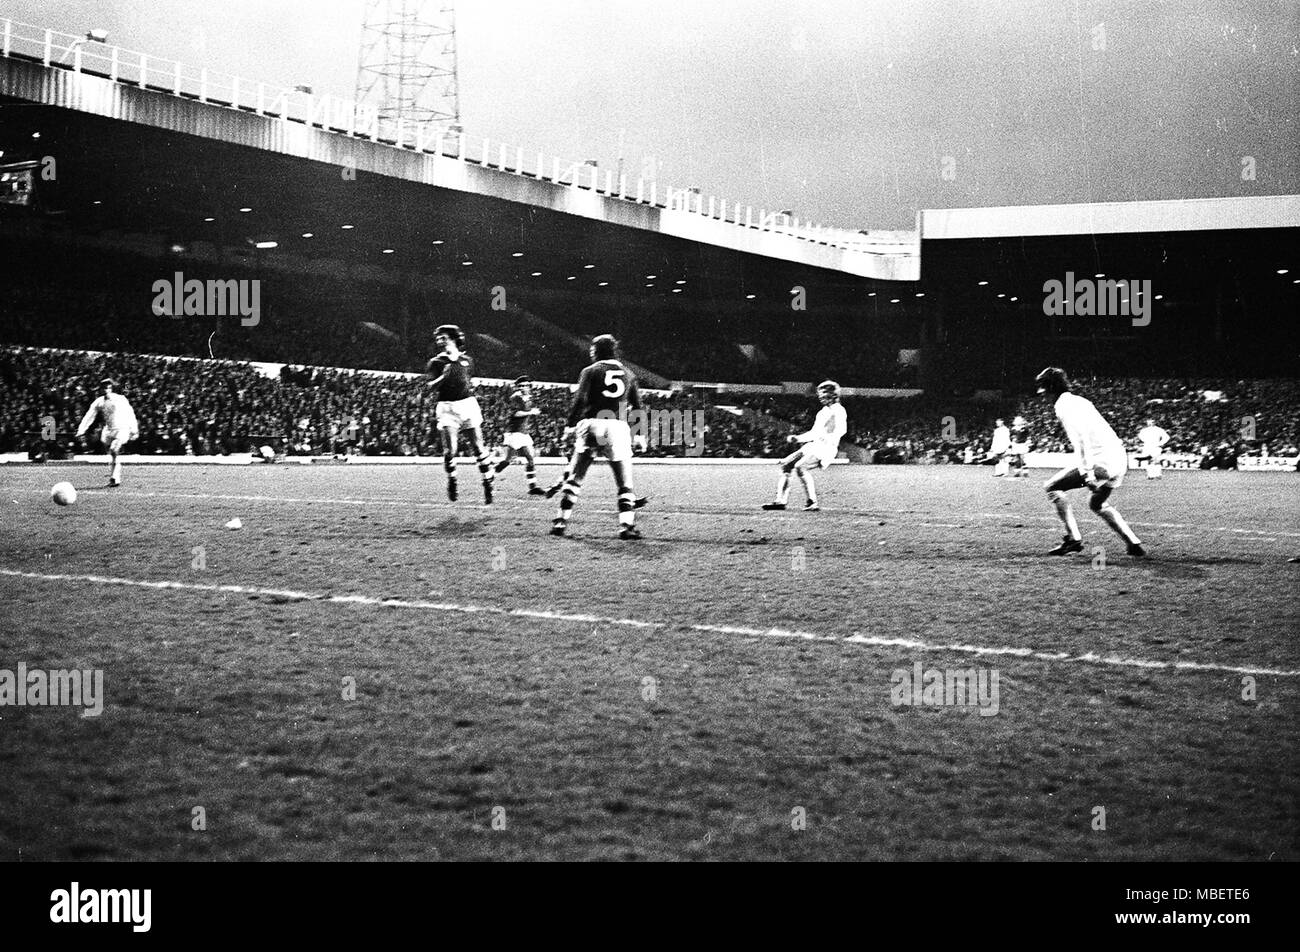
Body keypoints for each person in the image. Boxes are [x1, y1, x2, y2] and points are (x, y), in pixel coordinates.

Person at [1036, 367, 1146, 557]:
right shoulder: (1080, 401)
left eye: (1042, 388)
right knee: (1096, 504)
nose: (1041, 394)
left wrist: (1087, 474)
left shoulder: (1062, 406)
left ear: (1050, 388)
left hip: (1100, 461)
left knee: (1052, 487)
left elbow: (1081, 440)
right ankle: (1133, 543)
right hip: (1118, 460)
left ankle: (1073, 540)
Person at [551, 334, 648, 539]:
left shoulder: (590, 371)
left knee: (576, 476)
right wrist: (639, 435)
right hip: (617, 427)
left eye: (593, 349)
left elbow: (580, 400)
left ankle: (560, 521)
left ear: (600, 351)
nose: (591, 352)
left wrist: (569, 426)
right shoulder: (629, 374)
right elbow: (638, 406)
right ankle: (626, 526)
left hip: (592, 424)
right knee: (624, 482)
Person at [425, 325, 493, 504]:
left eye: (443, 336)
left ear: (453, 338)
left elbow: (467, 381)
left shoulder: (467, 360)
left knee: (479, 448)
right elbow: (428, 388)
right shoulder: (436, 362)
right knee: (450, 451)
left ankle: (487, 482)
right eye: (437, 337)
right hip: (447, 408)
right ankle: (453, 480)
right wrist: (443, 377)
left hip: (467, 405)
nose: (439, 340)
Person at [762, 380, 847, 511]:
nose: (820, 396)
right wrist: (798, 438)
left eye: (824, 393)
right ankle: (780, 501)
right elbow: (814, 433)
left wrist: (829, 435)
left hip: (826, 448)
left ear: (833, 395)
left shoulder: (838, 411)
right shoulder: (823, 412)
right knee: (787, 466)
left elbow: (841, 430)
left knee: (800, 467)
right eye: (820, 394)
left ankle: (812, 502)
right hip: (815, 445)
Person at [75, 377, 139, 487]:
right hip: (109, 430)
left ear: (111, 388)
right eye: (104, 388)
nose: (106, 390)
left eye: (108, 387)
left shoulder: (121, 399)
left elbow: (130, 413)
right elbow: (89, 416)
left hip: (122, 429)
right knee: (112, 454)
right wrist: (81, 430)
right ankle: (114, 474)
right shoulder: (99, 401)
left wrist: (134, 429)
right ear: (101, 389)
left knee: (114, 450)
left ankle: (115, 478)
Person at [493, 376, 546, 495]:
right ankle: (490, 476)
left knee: (530, 459)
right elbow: (515, 413)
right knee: (508, 460)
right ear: (517, 387)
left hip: (523, 432)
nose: (523, 388)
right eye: (521, 386)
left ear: (529, 387)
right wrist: (531, 412)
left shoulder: (529, 398)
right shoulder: (515, 398)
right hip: (514, 432)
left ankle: (533, 487)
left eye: (526, 385)